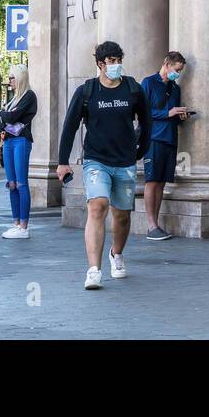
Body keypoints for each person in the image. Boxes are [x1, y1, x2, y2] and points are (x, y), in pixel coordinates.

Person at [56, 41, 150, 291]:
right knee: (98, 206)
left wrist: (143, 148)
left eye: (119, 60)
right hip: (96, 160)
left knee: (122, 216)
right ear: (100, 64)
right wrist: (62, 162)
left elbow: (146, 120)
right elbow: (70, 126)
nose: (116, 65)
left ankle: (116, 254)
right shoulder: (87, 91)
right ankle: (93, 270)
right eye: (111, 61)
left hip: (125, 162)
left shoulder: (132, 89)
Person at [141, 51, 189, 241]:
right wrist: (168, 113)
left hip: (170, 138)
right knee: (151, 181)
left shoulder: (175, 89)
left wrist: (180, 116)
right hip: (153, 138)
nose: (178, 73)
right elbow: (143, 112)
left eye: (180, 71)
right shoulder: (148, 82)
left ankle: (156, 224)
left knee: (161, 182)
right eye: (176, 69)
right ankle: (151, 225)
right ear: (167, 64)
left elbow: (172, 115)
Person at [0, 65, 37, 239]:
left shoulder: (29, 96)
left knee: (21, 183)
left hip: (21, 140)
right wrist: (4, 115)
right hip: (8, 141)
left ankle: (24, 226)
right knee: (12, 183)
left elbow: (10, 117)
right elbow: (3, 119)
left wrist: (4, 114)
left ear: (20, 78)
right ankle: (16, 224)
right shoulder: (14, 99)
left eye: (12, 77)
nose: (10, 81)